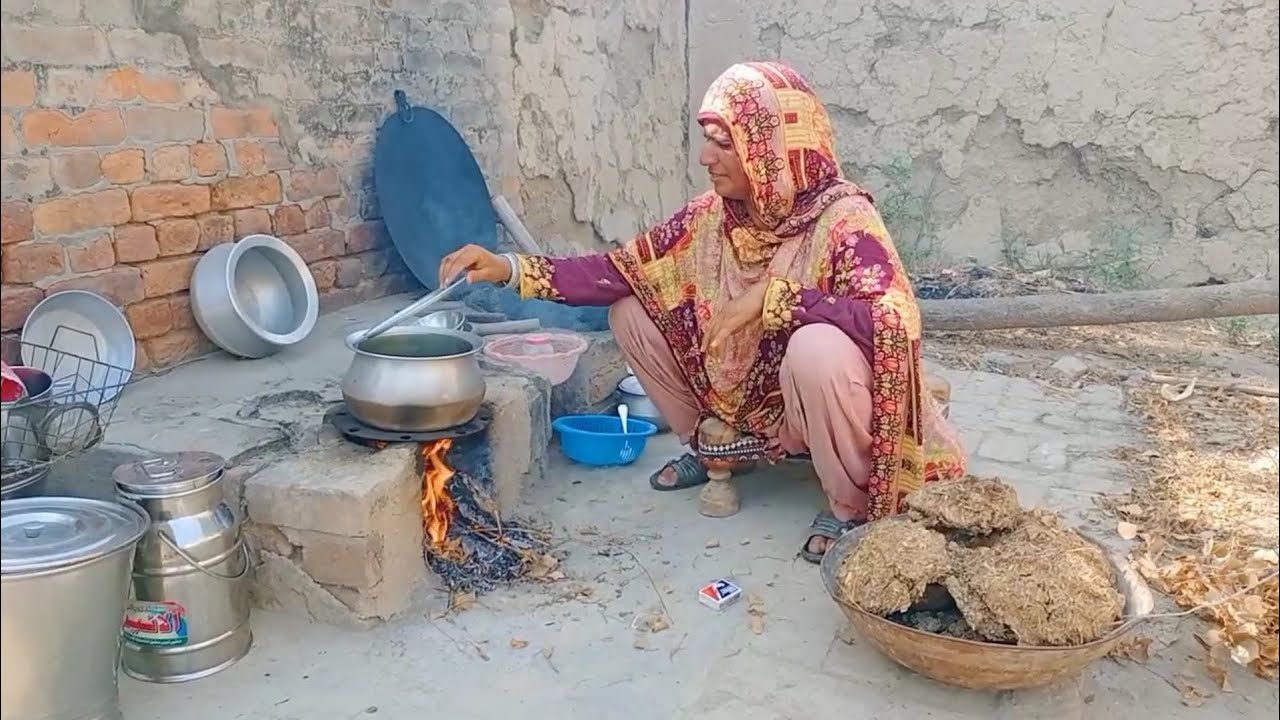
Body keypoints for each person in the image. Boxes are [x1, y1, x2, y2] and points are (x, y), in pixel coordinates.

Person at [440, 61, 966, 562]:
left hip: (817, 400)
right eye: (708, 142)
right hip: (741, 398)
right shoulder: (711, 217)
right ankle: (722, 448)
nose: (705, 158)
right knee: (631, 309)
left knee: (817, 348)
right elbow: (620, 270)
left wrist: (777, 298)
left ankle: (849, 509)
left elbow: (894, 322)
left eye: (723, 144)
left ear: (770, 154)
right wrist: (509, 267)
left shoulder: (845, 221)